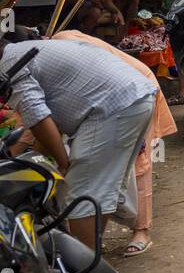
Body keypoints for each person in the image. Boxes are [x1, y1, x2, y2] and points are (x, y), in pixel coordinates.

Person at [0, 35, 157, 251]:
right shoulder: (25, 51)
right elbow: (47, 125)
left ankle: (86, 269)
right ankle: (91, 259)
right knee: (98, 191)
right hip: (132, 98)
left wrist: (64, 163)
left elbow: (39, 120)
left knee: (79, 192)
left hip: (113, 106)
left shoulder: (9, 66)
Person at [53, 29, 177, 256]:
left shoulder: (61, 45)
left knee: (139, 164)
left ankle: (142, 231)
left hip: (135, 91)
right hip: (107, 102)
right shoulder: (53, 49)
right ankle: (94, 233)